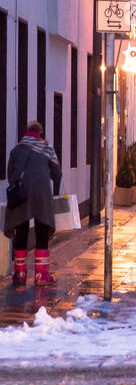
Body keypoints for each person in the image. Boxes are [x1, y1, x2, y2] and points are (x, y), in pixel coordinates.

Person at [4, 121, 62, 287]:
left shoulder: (16, 150)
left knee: (21, 230)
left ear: (26, 133)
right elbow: (57, 174)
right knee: (42, 230)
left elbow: (10, 175)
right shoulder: (47, 148)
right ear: (40, 133)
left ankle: (20, 273)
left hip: (21, 194)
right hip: (41, 194)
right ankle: (41, 275)